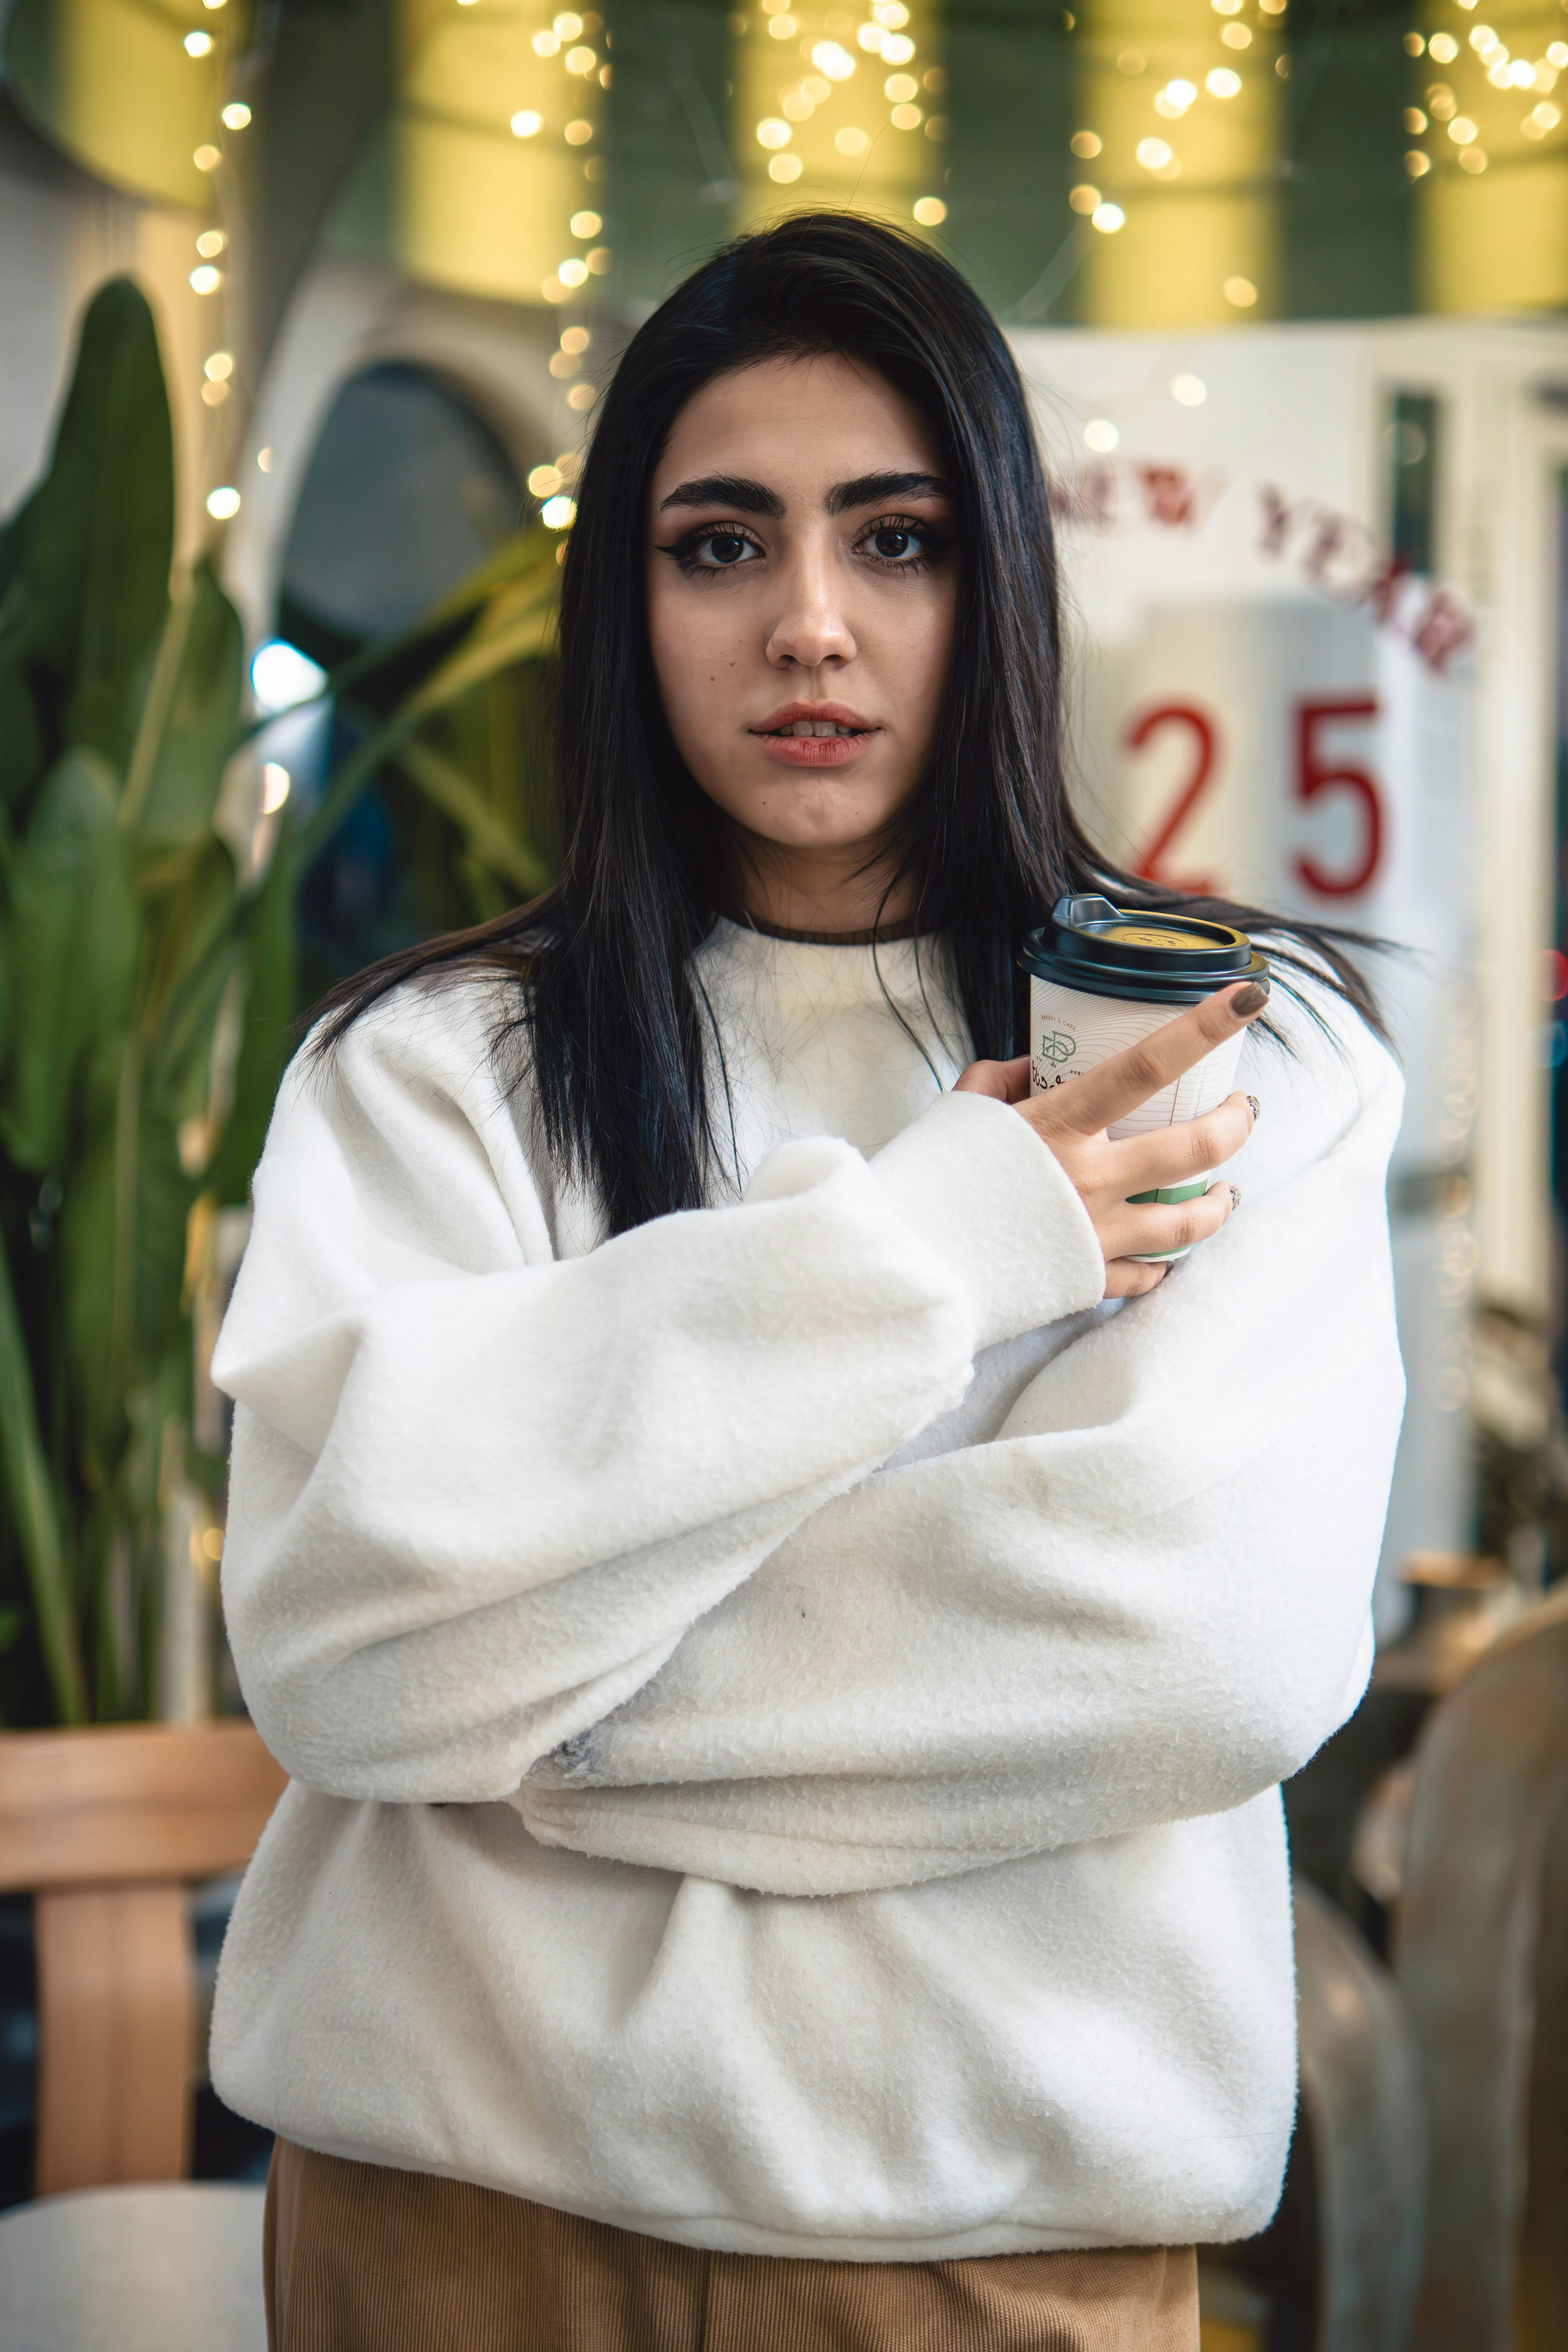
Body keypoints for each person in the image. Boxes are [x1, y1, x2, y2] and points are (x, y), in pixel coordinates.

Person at [211, 214, 1405, 2352]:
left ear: (1001, 579)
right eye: (721, 546)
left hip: (996, 2251)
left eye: (899, 539)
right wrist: (955, 1233)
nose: (812, 627)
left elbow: (1201, 1653)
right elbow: (335, 1647)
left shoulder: (1233, 1059)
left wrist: (527, 1704)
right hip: (452, 2221)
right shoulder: (426, 1073)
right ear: (631, 596)